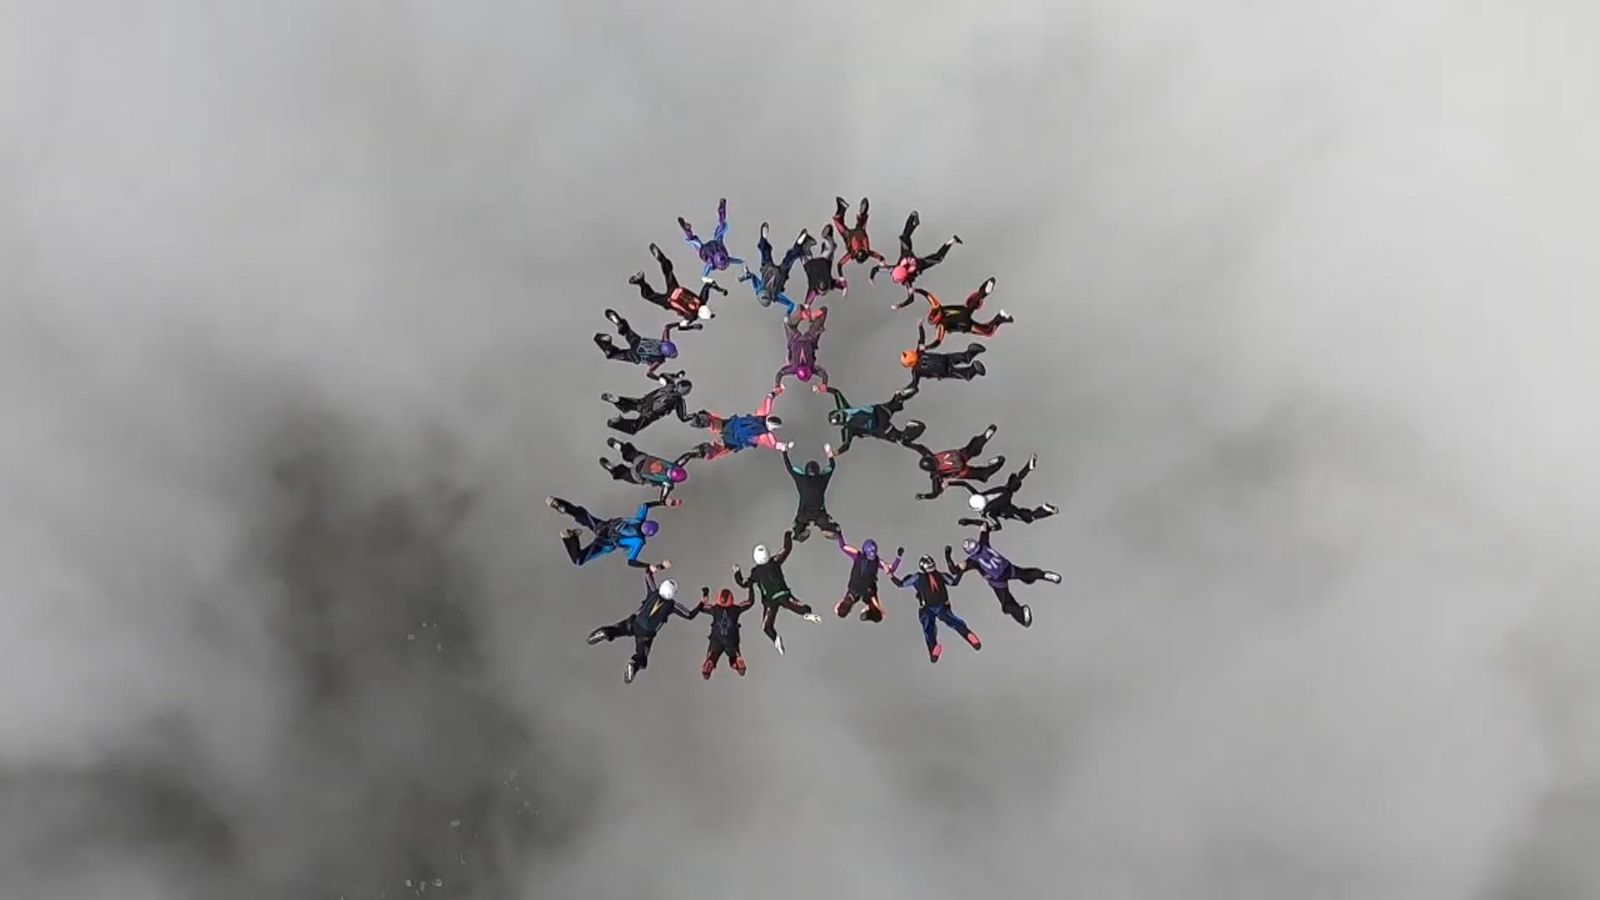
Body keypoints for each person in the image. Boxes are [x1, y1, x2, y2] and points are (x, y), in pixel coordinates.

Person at [585, 567, 697, 684]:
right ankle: (633, 665)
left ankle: (605, 632)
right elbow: (689, 615)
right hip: (646, 635)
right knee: (642, 659)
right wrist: (701, 604)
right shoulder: (672, 605)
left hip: (635, 622)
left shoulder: (653, 592)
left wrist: (659, 567)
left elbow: (647, 574)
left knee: (617, 629)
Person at [945, 525, 1062, 628]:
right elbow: (983, 524)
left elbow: (954, 570)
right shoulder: (983, 542)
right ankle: (1045, 575)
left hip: (997, 580)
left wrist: (948, 556)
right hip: (1006, 568)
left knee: (1007, 603)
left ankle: (1022, 616)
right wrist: (970, 522)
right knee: (1025, 573)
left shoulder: (971, 561)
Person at [733, 531, 821, 655]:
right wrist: (787, 535)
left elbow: (743, 583)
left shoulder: (755, 573)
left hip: (770, 601)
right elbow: (786, 548)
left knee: (766, 627)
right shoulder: (775, 561)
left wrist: (737, 573)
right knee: (796, 605)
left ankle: (775, 639)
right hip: (783, 594)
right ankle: (806, 613)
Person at [891, 555, 980, 663]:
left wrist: (891, 575)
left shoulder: (918, 577)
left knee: (928, 628)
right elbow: (954, 582)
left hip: (928, 607)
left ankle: (933, 648)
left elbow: (901, 584)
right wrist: (960, 571)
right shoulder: (940, 575)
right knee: (953, 621)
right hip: (941, 606)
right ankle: (968, 635)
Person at [546, 495, 677, 568]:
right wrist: (653, 566)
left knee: (582, 514)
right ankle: (569, 537)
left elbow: (646, 505)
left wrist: (664, 502)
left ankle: (560, 504)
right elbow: (631, 562)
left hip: (604, 526)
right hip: (605, 544)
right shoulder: (638, 542)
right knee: (578, 560)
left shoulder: (639, 519)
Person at [630, 242, 727, 330]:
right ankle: (640, 281)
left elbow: (707, 285)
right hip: (669, 300)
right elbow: (681, 327)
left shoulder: (702, 300)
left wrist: (720, 290)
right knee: (650, 296)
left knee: (669, 273)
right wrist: (693, 327)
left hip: (676, 289)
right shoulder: (692, 316)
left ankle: (661, 259)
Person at [952, 454, 1060, 530]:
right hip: (1004, 492)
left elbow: (996, 527)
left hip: (1005, 508)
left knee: (1028, 516)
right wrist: (949, 482)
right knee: (1014, 482)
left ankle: (1046, 510)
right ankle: (1028, 468)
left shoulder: (987, 513)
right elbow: (965, 485)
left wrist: (970, 522)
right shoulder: (978, 496)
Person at [871, 210, 961, 299]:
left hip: (919, 264)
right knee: (904, 237)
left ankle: (952, 241)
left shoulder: (906, 281)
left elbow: (911, 299)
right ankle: (913, 218)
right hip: (908, 255)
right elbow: (875, 269)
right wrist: (871, 277)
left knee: (938, 258)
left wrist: (900, 305)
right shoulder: (893, 269)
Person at [906, 277, 1013, 348]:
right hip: (964, 310)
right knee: (973, 302)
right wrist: (915, 290)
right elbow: (927, 295)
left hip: (967, 324)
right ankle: (984, 293)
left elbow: (938, 341)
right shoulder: (937, 307)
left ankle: (1000, 316)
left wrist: (927, 347)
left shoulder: (941, 326)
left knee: (988, 332)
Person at [907, 424, 1007, 500]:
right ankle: (983, 438)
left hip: (962, 471)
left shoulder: (936, 474)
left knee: (983, 474)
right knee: (972, 448)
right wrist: (907, 443)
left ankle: (999, 461)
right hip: (960, 455)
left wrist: (924, 496)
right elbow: (920, 447)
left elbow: (935, 493)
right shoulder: (930, 455)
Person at [824, 383, 927, 453]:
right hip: (879, 411)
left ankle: (916, 429)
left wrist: (834, 453)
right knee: (895, 404)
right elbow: (836, 392)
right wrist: (824, 388)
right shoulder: (844, 408)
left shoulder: (847, 429)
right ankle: (900, 396)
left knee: (900, 438)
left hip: (880, 428)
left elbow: (846, 445)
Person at [696, 389, 792, 461]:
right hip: (734, 431)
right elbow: (768, 400)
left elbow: (775, 444)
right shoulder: (763, 422)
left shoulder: (764, 430)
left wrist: (774, 393)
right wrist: (774, 392)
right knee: (719, 430)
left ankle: (706, 425)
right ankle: (706, 421)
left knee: (719, 436)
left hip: (734, 435)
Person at [738, 222, 811, 316]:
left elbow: (752, 276)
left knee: (770, 254)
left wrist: (744, 277)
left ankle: (765, 239)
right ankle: (798, 243)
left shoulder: (762, 290)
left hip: (770, 269)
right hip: (779, 272)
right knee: (788, 258)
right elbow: (790, 304)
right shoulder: (770, 294)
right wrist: (788, 314)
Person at [597, 437, 704, 501]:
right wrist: (663, 501)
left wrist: (694, 454)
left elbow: (684, 458)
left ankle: (619, 447)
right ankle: (613, 469)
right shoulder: (667, 482)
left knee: (630, 452)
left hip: (642, 459)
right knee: (623, 474)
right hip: (638, 476)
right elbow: (663, 495)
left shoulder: (673, 465)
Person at [593, 308, 681, 380]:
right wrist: (659, 379)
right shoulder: (660, 359)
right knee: (613, 354)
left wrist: (679, 324)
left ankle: (619, 322)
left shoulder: (664, 341)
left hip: (638, 341)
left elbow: (667, 327)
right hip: (635, 355)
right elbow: (649, 373)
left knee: (626, 331)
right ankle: (604, 344)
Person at [834, 535, 903, 622]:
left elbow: (843, 546)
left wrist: (839, 535)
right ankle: (869, 610)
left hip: (857, 589)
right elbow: (891, 569)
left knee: (850, 602)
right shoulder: (874, 561)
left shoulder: (859, 556)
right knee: (877, 614)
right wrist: (898, 558)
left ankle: (867, 610)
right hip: (864, 589)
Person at [602, 373, 699, 436]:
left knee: (633, 404)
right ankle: (615, 423)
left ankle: (618, 400)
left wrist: (676, 375)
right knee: (633, 428)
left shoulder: (670, 384)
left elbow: (662, 376)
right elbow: (683, 417)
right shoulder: (679, 401)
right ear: (685, 393)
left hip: (645, 401)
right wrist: (696, 415)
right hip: (650, 414)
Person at [696, 584, 757, 679]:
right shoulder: (736, 609)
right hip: (731, 640)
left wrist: (705, 594)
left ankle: (711, 662)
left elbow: (701, 608)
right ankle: (736, 662)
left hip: (716, 639)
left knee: (712, 655)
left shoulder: (714, 609)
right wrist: (750, 587)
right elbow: (750, 602)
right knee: (734, 653)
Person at [677, 197, 746, 280]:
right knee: (696, 240)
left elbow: (740, 261)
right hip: (709, 247)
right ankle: (721, 209)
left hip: (713, 246)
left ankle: (687, 229)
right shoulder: (711, 263)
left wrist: (744, 266)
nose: (724, 267)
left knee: (696, 240)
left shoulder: (723, 260)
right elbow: (704, 275)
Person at [783, 443, 839, 542]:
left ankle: (799, 532)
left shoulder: (801, 478)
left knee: (798, 526)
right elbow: (832, 466)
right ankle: (827, 528)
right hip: (820, 513)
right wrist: (829, 454)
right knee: (832, 527)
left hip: (804, 513)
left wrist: (785, 451)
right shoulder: (822, 478)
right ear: (818, 471)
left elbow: (789, 467)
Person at [900, 325, 987, 389]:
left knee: (961, 356)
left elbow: (921, 339)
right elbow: (914, 383)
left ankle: (971, 353)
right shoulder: (916, 371)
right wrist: (906, 390)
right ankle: (973, 370)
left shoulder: (919, 352)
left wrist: (920, 327)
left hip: (945, 358)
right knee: (964, 373)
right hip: (945, 371)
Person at [773, 305, 830, 393]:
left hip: (801, 339)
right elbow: (780, 374)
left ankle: (804, 314)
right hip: (806, 339)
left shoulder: (799, 368)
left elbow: (780, 373)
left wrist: (777, 386)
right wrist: (824, 384)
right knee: (787, 322)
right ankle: (807, 315)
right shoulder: (795, 368)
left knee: (787, 321)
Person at [832, 195, 887, 274]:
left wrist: (882, 262)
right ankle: (843, 208)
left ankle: (862, 214)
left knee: (860, 224)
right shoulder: (852, 254)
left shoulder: (868, 252)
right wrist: (841, 277)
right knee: (838, 222)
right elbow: (840, 264)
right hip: (850, 236)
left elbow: (879, 256)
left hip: (860, 232)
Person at [801, 223, 849, 307]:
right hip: (812, 263)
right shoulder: (814, 288)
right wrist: (806, 306)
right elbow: (809, 300)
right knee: (804, 252)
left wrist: (844, 288)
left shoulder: (828, 284)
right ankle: (806, 244)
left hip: (820, 262)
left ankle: (825, 240)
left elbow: (809, 300)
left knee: (830, 249)